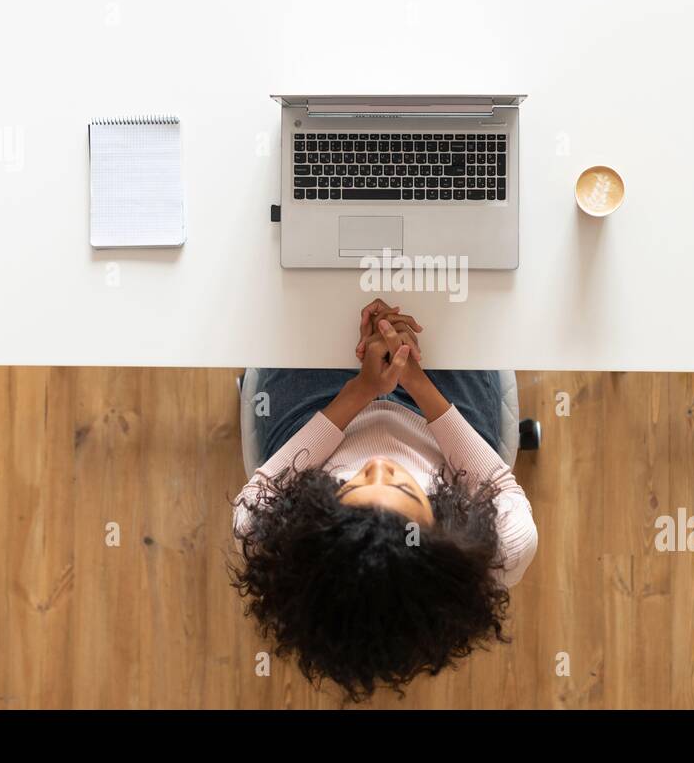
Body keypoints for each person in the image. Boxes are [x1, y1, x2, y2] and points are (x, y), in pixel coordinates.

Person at [229, 299, 538, 700]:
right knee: (459, 294)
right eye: (405, 488)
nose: (377, 465)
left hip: (321, 413)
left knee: (293, 296)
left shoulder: (273, 541)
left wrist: (361, 390)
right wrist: (416, 382)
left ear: (322, 517)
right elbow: (497, 480)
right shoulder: (497, 553)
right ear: (436, 537)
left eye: (353, 487)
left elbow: (260, 491)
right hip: (443, 416)